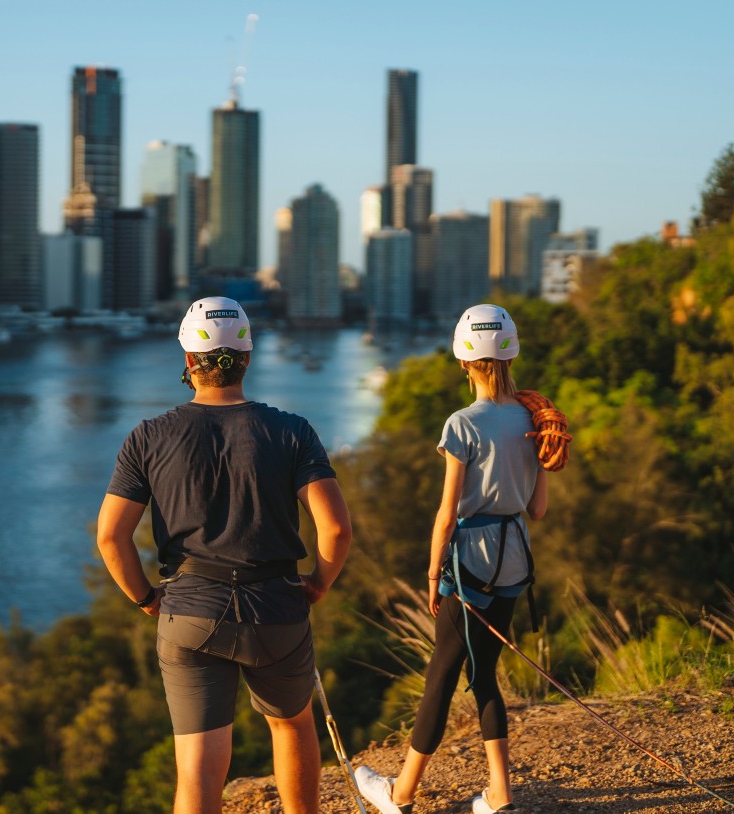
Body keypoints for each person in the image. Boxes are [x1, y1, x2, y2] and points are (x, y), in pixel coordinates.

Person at [96, 296, 354, 814]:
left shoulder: (148, 436)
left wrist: (147, 599)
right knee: (292, 724)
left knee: (198, 764)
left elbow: (110, 537)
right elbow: (336, 528)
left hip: (190, 610)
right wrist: (319, 583)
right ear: (247, 358)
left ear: (189, 360)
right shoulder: (292, 430)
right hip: (277, 607)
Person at [355, 304, 549, 814]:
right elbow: (538, 507)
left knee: (441, 674)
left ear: (465, 362)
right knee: (483, 672)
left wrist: (431, 572)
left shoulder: (463, 424)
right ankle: (500, 792)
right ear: (511, 355)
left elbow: (446, 514)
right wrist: (544, 459)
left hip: (469, 564)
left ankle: (400, 794)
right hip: (514, 559)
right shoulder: (534, 419)